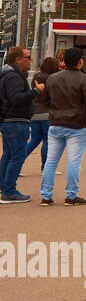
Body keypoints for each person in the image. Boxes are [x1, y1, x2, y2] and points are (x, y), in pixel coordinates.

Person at [39, 47, 86, 206]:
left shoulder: (52, 78)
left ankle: (46, 195)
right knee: (73, 161)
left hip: (56, 123)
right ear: (80, 61)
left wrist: (55, 108)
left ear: (63, 61)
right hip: (76, 124)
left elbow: (44, 100)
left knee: (51, 161)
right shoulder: (84, 79)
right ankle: (71, 195)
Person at [1, 47, 43, 203]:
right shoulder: (14, 77)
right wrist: (36, 91)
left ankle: (5, 187)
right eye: (28, 57)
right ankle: (9, 191)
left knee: (8, 155)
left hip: (8, 120)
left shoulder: (6, 74)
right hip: (16, 120)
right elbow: (17, 98)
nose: (30, 60)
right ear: (18, 59)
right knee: (17, 156)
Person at [23, 56, 58, 176]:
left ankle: (18, 163)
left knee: (34, 139)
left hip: (34, 112)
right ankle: (45, 168)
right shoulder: (53, 78)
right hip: (47, 112)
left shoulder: (36, 76)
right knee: (47, 140)